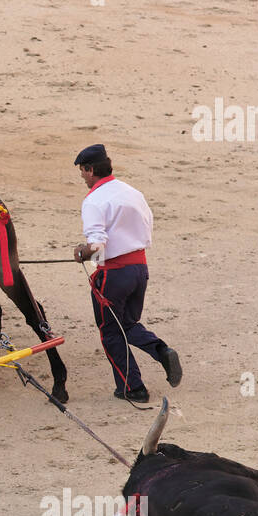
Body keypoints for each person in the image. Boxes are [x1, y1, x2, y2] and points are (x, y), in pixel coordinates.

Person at [72, 144, 182, 403]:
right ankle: (161, 350)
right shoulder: (132, 192)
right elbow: (148, 225)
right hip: (139, 269)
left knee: (110, 332)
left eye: (82, 172)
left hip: (113, 275)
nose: (82, 177)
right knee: (128, 324)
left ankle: (133, 388)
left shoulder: (94, 201)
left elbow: (97, 244)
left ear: (90, 170)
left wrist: (82, 252)